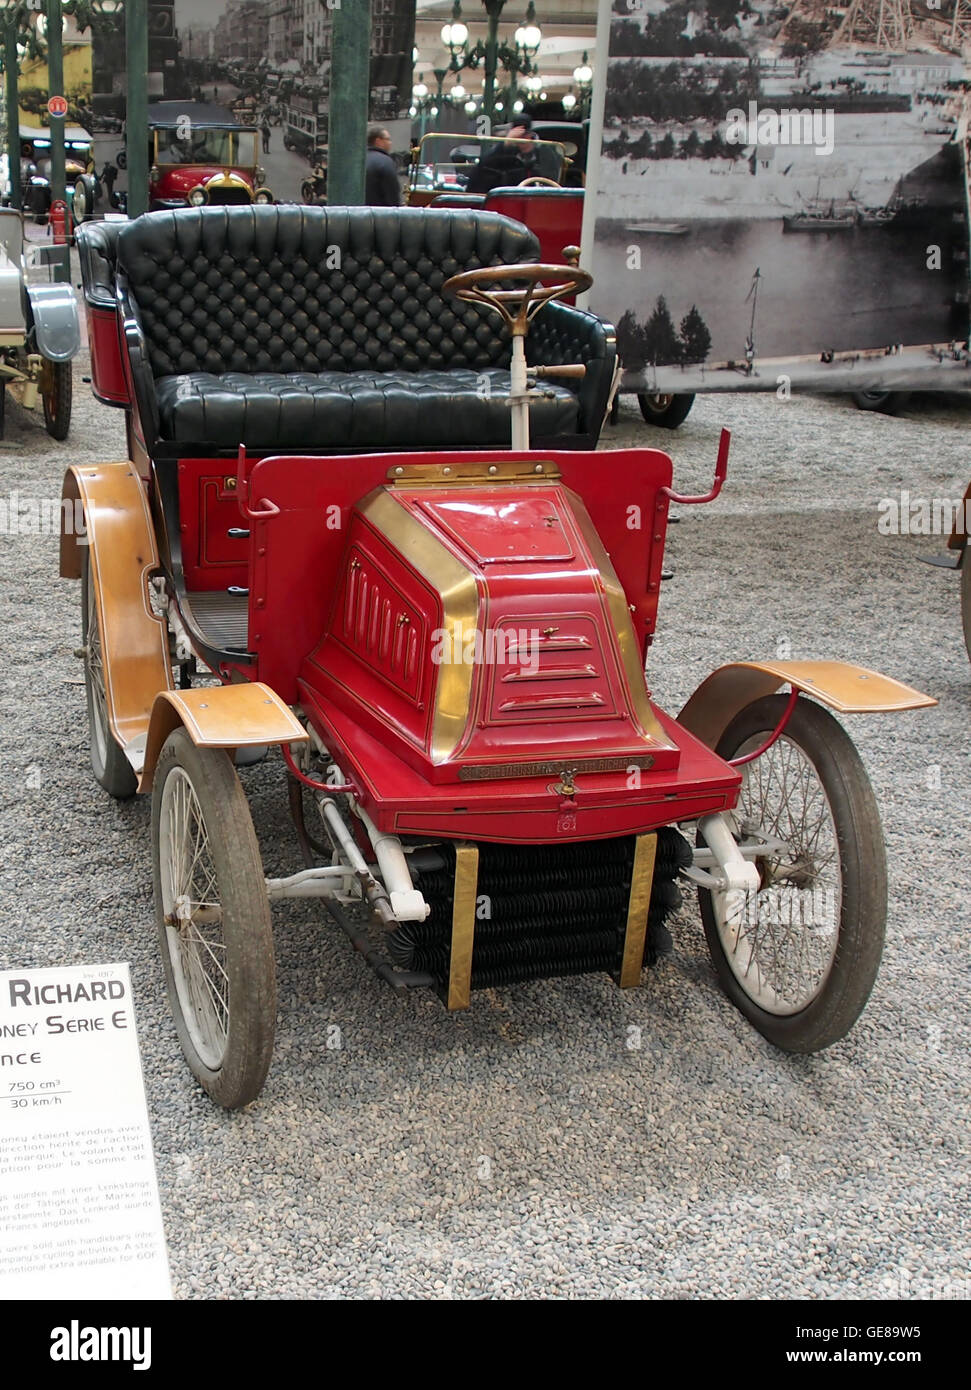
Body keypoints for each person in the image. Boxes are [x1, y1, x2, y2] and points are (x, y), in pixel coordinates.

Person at [466, 119, 537, 194]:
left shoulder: (538, 154)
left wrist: (529, 153)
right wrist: (506, 144)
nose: (524, 140)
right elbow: (482, 170)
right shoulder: (500, 156)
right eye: (521, 137)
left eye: (527, 135)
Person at [364, 127, 400, 206]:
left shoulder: (359, 160)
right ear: (378, 141)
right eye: (388, 139)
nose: (390, 143)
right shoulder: (386, 162)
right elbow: (392, 195)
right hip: (378, 214)